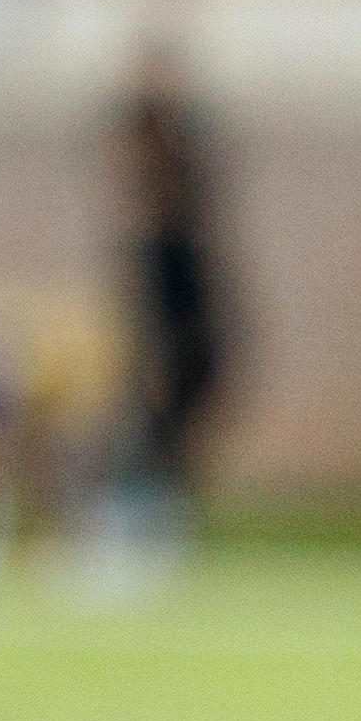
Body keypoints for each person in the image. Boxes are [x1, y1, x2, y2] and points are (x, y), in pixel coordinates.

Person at [118, 36, 232, 515]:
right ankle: (150, 503)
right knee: (155, 406)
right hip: (166, 289)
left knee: (181, 398)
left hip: (186, 292)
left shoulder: (186, 236)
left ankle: (163, 498)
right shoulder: (152, 246)